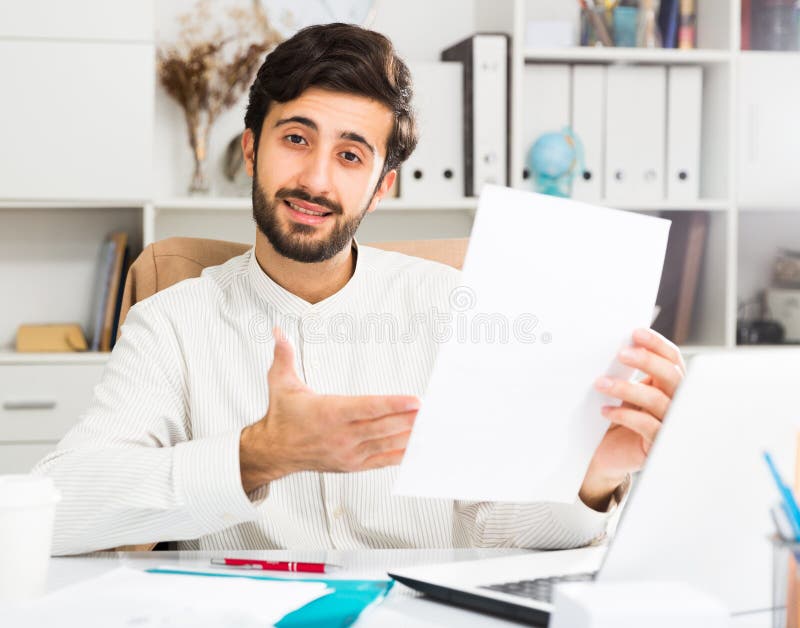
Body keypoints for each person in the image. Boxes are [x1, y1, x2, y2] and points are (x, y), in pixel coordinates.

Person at [34, 23, 686, 555]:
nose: (316, 180)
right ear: (253, 150)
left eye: (350, 155)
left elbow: (502, 526)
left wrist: (594, 479)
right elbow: (59, 510)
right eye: (296, 139)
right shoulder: (174, 320)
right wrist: (256, 456)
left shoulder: (454, 307)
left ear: (381, 186)